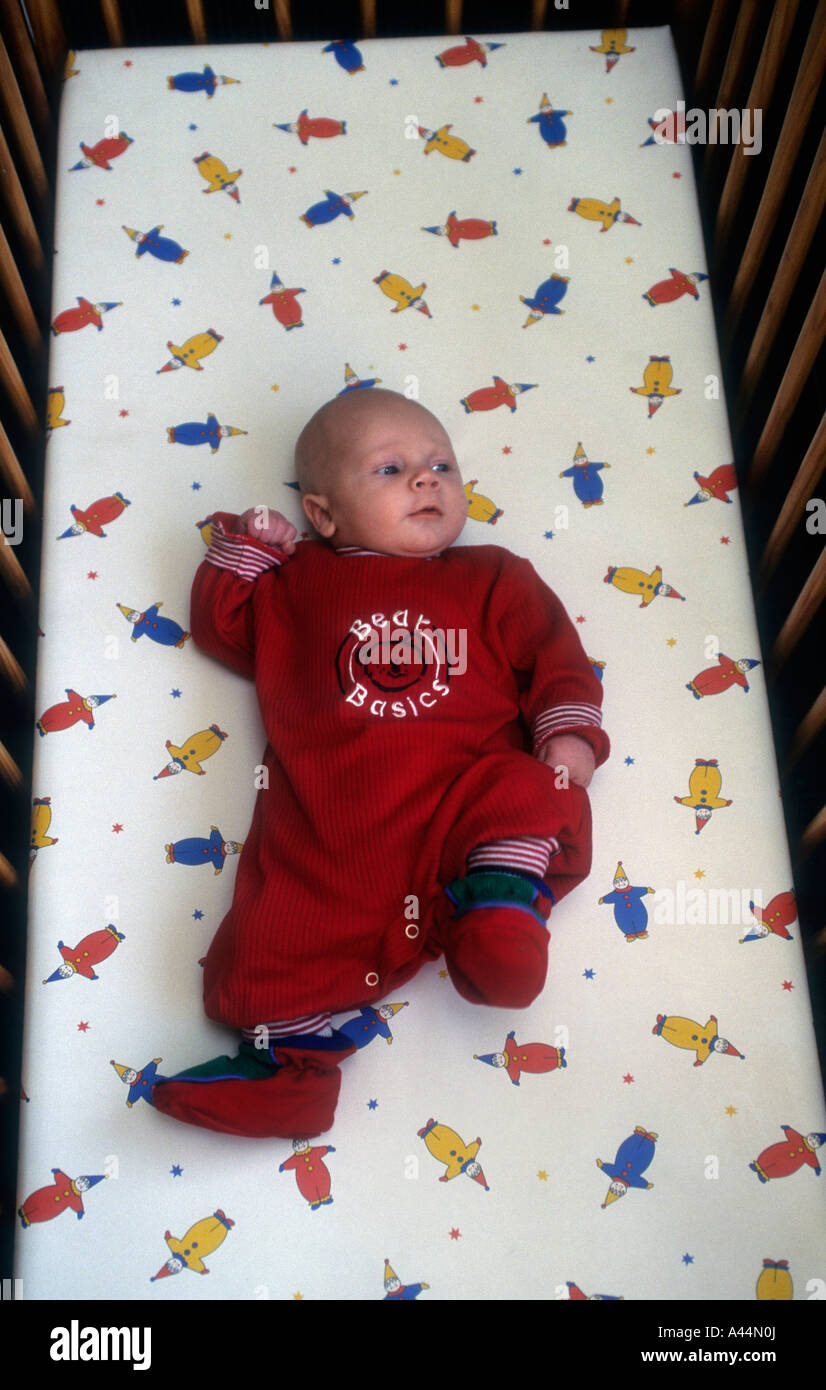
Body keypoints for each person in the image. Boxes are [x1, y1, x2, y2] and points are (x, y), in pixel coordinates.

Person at [150, 389, 609, 1138]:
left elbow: (554, 654)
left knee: (534, 785)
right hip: (334, 832)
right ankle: (291, 1074)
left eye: (441, 465)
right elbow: (222, 628)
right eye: (392, 469)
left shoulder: (492, 576)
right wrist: (249, 552)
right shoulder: (297, 588)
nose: (427, 481)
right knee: (271, 935)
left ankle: (499, 903)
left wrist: (570, 730)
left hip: (467, 807)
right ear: (324, 515)